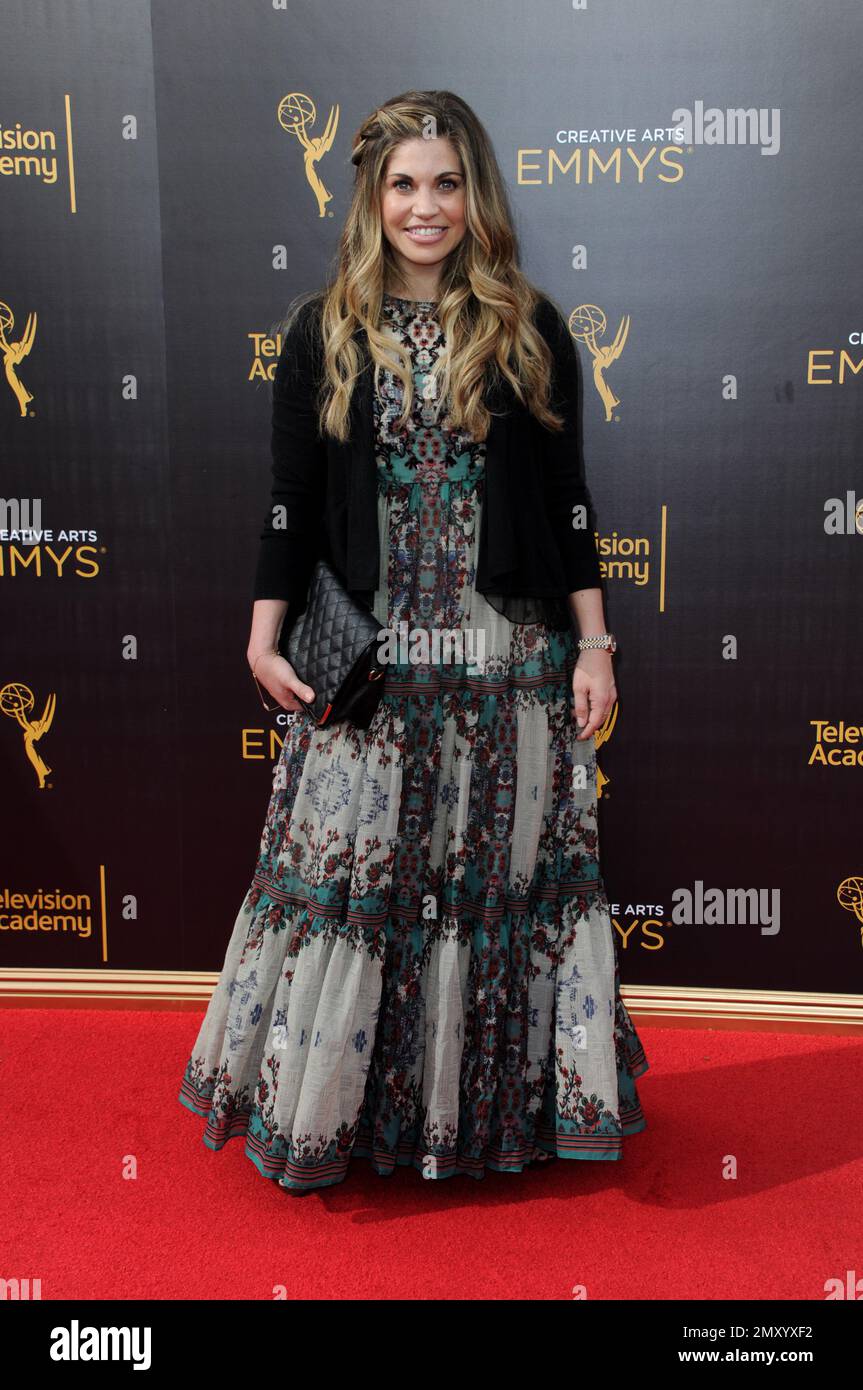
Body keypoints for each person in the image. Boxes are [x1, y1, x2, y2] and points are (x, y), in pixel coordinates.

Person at [178, 89, 649, 1193]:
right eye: (402, 185)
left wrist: (594, 647)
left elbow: (570, 502)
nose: (424, 207)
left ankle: (487, 1122)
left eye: (444, 183)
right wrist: (262, 637)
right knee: (360, 890)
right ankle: (344, 1117)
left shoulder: (528, 330)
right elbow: (289, 502)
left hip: (501, 659)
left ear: (472, 193)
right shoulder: (322, 329)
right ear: (370, 197)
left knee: (489, 887)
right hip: (372, 664)